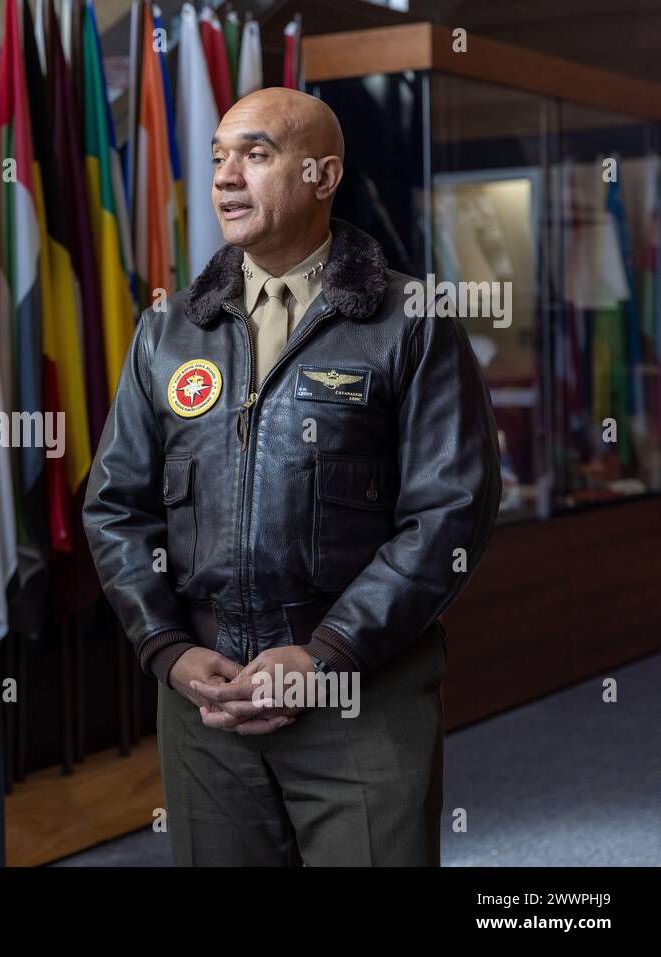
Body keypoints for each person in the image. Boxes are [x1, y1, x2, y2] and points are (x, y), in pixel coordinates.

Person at [82, 88, 501, 865]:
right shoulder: (170, 331)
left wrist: (327, 653)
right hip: (208, 704)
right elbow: (114, 508)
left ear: (323, 173)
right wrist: (167, 647)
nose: (225, 177)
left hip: (359, 697)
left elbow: (450, 513)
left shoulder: (412, 321)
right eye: (216, 158)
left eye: (256, 154)